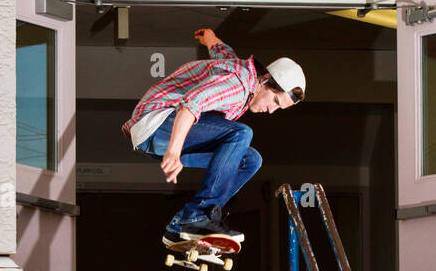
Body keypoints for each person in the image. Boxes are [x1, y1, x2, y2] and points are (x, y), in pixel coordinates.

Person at [122, 28, 306, 245]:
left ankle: (182, 224)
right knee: (241, 133)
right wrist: (174, 151)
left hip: (162, 133)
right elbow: (190, 105)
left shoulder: (240, 72)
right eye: (274, 101)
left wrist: (209, 38)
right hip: (157, 123)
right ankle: (199, 217)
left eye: (278, 109)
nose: (270, 110)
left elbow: (222, 52)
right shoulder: (236, 85)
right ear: (265, 79)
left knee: (250, 160)